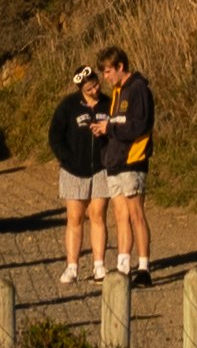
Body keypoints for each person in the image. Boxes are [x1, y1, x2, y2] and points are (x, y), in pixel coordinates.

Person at [90, 46, 159, 285]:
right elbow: (117, 124)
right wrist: (105, 131)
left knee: (136, 213)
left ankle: (144, 267)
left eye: (108, 71)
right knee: (120, 215)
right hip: (116, 160)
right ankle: (123, 264)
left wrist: (110, 128)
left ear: (120, 67)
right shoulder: (118, 92)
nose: (105, 78)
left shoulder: (139, 89)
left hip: (133, 159)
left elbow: (138, 126)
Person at [48, 63, 113, 291]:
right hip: (74, 171)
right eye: (89, 88)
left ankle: (99, 265)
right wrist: (67, 159)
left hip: (101, 168)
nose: (95, 90)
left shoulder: (108, 103)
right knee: (75, 218)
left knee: (98, 215)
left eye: (96, 85)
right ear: (80, 89)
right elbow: (55, 135)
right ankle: (72, 266)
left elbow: (116, 130)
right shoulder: (68, 106)